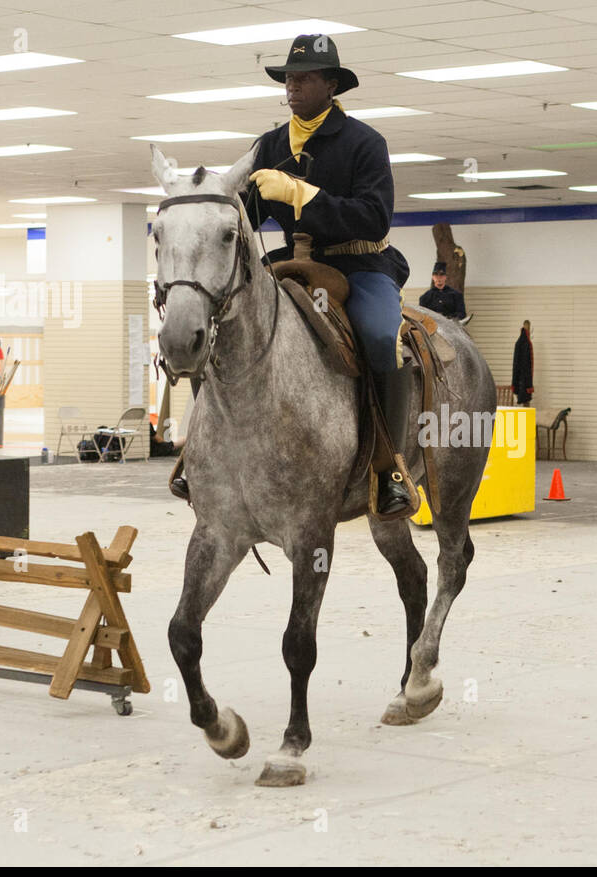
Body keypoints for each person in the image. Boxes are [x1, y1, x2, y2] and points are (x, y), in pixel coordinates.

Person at [172, 33, 416, 516]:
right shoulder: (269, 144)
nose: (292, 87)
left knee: (381, 334)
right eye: (288, 78)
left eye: (304, 79)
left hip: (359, 261)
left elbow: (373, 217)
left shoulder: (366, 142)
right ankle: (196, 449)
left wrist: (303, 195)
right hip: (294, 256)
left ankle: (389, 467)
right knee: (224, 323)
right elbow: (246, 215)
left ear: (331, 85)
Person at [512, 320, 534, 407]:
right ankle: (526, 420)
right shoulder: (526, 343)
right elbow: (526, 365)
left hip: (519, 379)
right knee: (526, 403)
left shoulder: (519, 342)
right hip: (524, 381)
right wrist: (528, 385)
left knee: (524, 403)